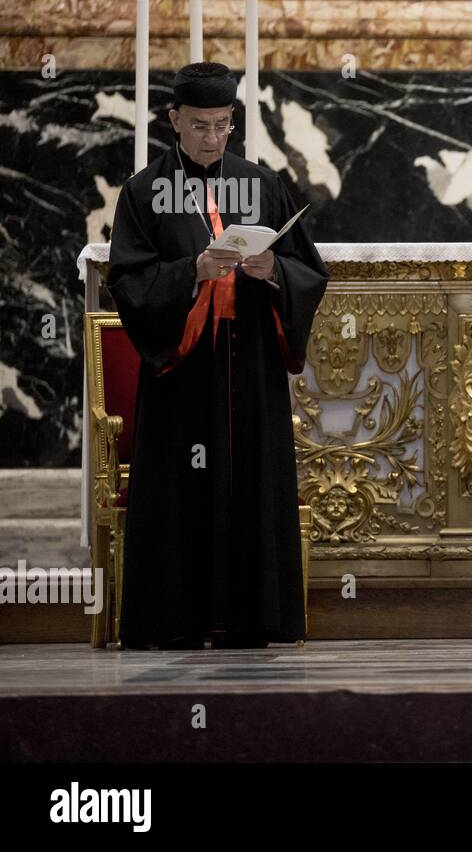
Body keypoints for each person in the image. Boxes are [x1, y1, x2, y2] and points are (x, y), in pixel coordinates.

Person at [107, 62, 328, 649]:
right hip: (184, 372)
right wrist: (192, 272)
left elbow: (309, 270)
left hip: (249, 363)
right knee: (185, 487)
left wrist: (273, 268)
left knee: (252, 482)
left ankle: (256, 618)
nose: (213, 137)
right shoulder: (141, 192)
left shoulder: (262, 184)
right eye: (200, 125)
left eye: (223, 125)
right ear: (174, 120)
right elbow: (127, 281)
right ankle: (173, 620)